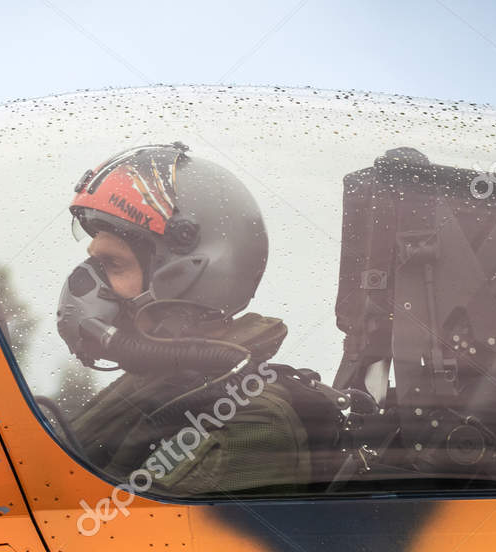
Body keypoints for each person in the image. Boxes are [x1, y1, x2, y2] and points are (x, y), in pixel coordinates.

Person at [53, 142, 343, 496]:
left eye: (113, 264)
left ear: (185, 278)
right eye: (94, 262)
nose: (85, 281)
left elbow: (109, 532)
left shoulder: (246, 421)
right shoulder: (152, 384)